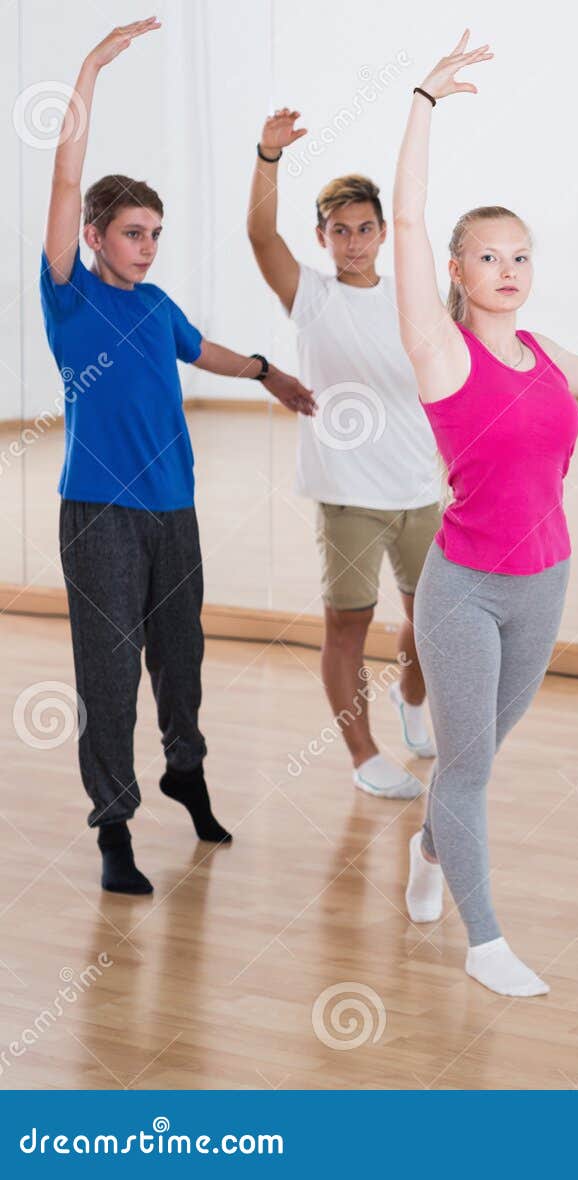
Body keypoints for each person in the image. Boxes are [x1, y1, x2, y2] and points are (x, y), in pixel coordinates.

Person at [393, 32, 578, 996]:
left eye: (521, 255)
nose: (509, 269)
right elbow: (408, 222)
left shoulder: (543, 352)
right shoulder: (440, 352)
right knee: (468, 769)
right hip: (464, 589)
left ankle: (431, 849)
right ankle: (485, 942)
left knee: (473, 759)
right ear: (459, 273)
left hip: (546, 583)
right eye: (489, 257)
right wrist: (424, 100)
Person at [42, 19, 317, 895]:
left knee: (180, 656)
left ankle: (184, 772)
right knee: (111, 671)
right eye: (132, 232)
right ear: (94, 237)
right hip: (100, 513)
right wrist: (88, 69)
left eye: (156, 232)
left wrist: (269, 372)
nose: (148, 246)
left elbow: (205, 352)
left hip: (173, 509)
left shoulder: (157, 304)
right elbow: (64, 173)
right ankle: (113, 826)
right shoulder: (69, 295)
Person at [247, 110, 443, 800]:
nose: (354, 241)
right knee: (349, 628)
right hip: (349, 495)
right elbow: (259, 235)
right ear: (323, 237)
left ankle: (411, 701)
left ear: (384, 233)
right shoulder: (312, 297)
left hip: (421, 489)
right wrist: (268, 156)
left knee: (430, 625)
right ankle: (363, 757)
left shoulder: (413, 298)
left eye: (365, 228)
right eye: (340, 230)